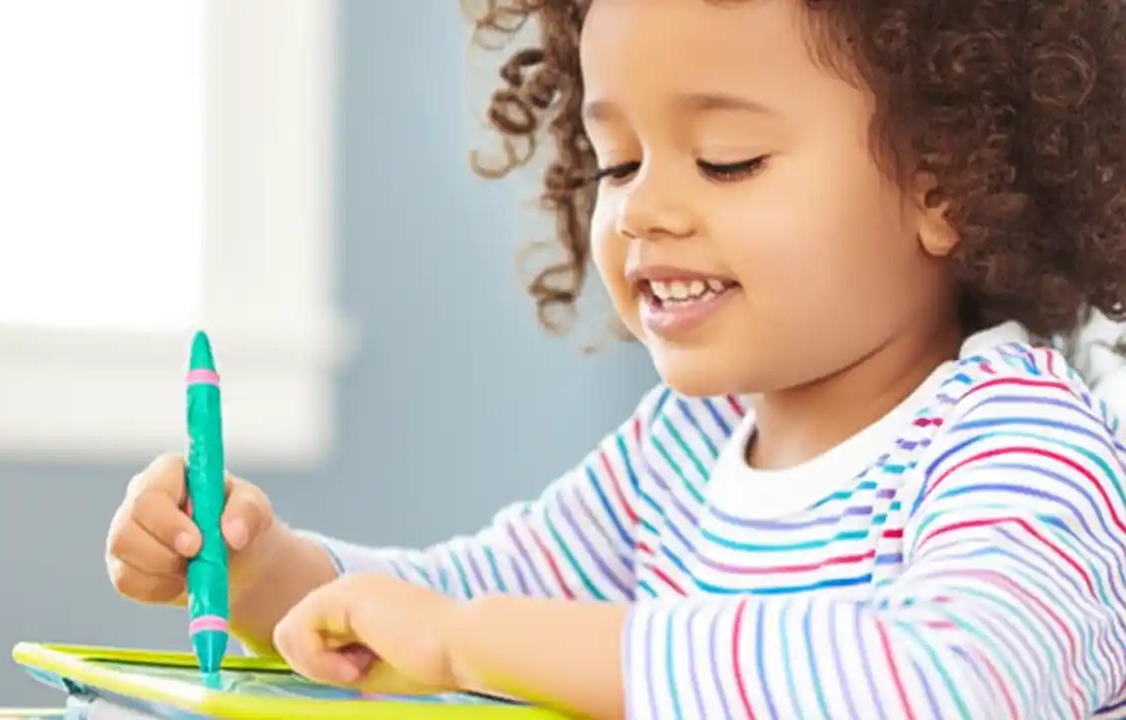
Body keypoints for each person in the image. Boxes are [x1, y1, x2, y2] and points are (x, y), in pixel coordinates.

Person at [104, 0, 1126, 717]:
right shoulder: (678, 453)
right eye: (618, 162)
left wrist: (473, 644)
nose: (641, 210)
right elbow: (454, 601)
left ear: (941, 185)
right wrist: (259, 571)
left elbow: (950, 685)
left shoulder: (1018, 446)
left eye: (726, 160)